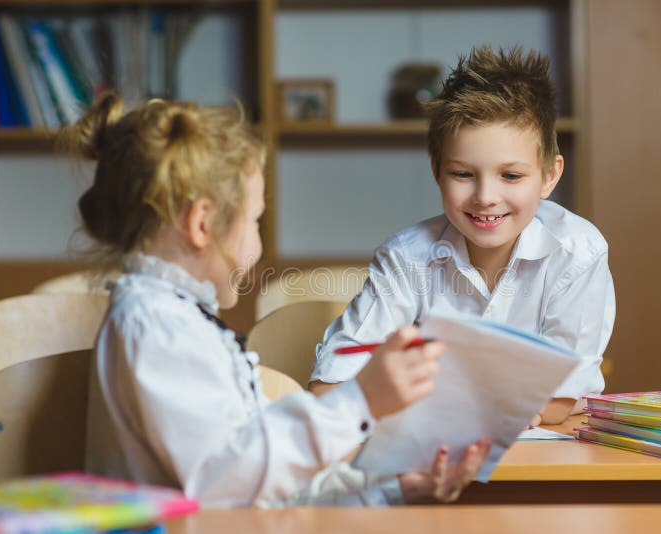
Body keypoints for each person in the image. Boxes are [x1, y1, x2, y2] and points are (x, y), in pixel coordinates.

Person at [66, 93, 490, 507]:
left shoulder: (176, 320)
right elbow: (229, 480)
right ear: (202, 224)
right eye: (255, 221)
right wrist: (360, 400)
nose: (258, 244)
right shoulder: (156, 327)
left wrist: (395, 488)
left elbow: (267, 478)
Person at [310, 46, 615, 426]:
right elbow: (330, 384)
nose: (486, 197)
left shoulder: (577, 252)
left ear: (549, 176)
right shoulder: (406, 258)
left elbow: (564, 392)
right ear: (437, 169)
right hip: (424, 456)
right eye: (463, 174)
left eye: (511, 176)